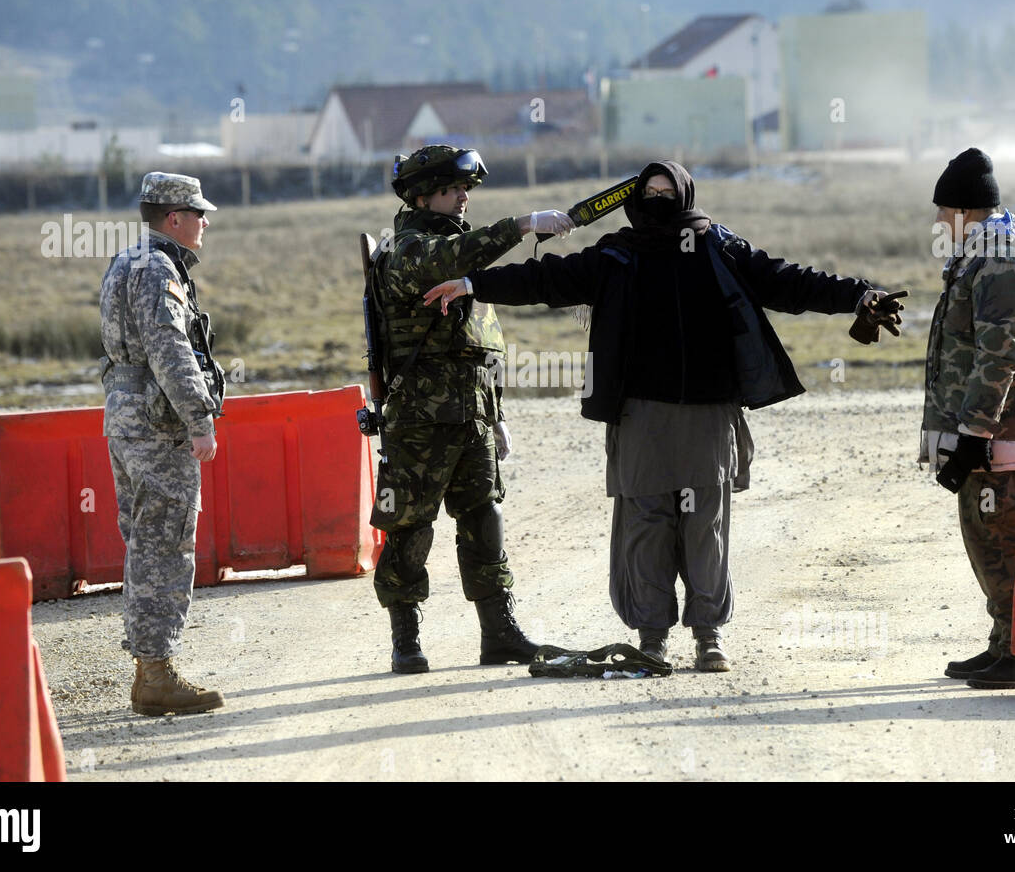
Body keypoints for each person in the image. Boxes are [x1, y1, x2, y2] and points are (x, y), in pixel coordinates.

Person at [424, 161, 906, 671]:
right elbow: (546, 279)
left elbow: (788, 281)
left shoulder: (718, 246)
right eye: (648, 192)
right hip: (640, 415)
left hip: (708, 413)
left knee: (705, 524)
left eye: (666, 191)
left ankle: (708, 635)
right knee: (646, 524)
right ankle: (651, 636)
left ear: (685, 194)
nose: (657, 199)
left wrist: (858, 294)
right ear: (634, 198)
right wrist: (473, 282)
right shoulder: (618, 254)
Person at [369, 144, 575, 673]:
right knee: (409, 528)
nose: (464, 197)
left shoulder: (462, 252)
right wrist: (524, 224)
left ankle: (500, 634)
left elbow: (482, 347)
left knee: (485, 521)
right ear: (423, 194)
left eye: (465, 190)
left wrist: (497, 414)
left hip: (472, 417)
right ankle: (406, 639)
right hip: (418, 421)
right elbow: (452, 261)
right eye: (454, 189)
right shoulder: (408, 249)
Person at [922, 148, 1015, 690]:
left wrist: (974, 434)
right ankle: (1004, 642)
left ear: (964, 211)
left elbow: (1000, 355)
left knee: (1001, 535)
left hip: (992, 430)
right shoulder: (985, 251)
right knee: (986, 535)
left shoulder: (1001, 259)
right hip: (979, 427)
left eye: (942, 211)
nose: (936, 223)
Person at [99, 171, 226, 715]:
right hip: (157, 424)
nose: (204, 222)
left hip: (125, 416)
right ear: (173, 218)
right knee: (165, 544)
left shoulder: (126, 262)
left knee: (145, 542)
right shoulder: (160, 270)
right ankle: (156, 675)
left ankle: (149, 670)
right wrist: (198, 419)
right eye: (198, 214)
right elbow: (170, 348)